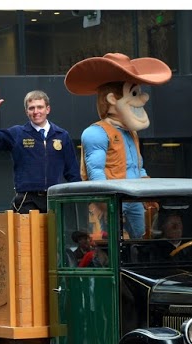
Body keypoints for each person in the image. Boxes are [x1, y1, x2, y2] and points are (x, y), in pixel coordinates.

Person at [66, 53, 171, 238]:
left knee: (142, 238)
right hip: (112, 202)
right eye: (134, 93)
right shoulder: (96, 132)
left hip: (134, 199)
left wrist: (149, 194)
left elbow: (138, 167)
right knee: (111, 243)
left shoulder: (131, 133)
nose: (143, 98)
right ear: (112, 99)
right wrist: (108, 204)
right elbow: (96, 173)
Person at [0, 87, 79, 213]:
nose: (36, 111)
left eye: (40, 107)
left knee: (57, 233)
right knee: (27, 233)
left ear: (48, 109)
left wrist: (78, 200)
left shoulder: (62, 135)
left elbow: (72, 171)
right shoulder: (17, 133)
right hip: (27, 200)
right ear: (27, 112)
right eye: (31, 108)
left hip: (55, 198)